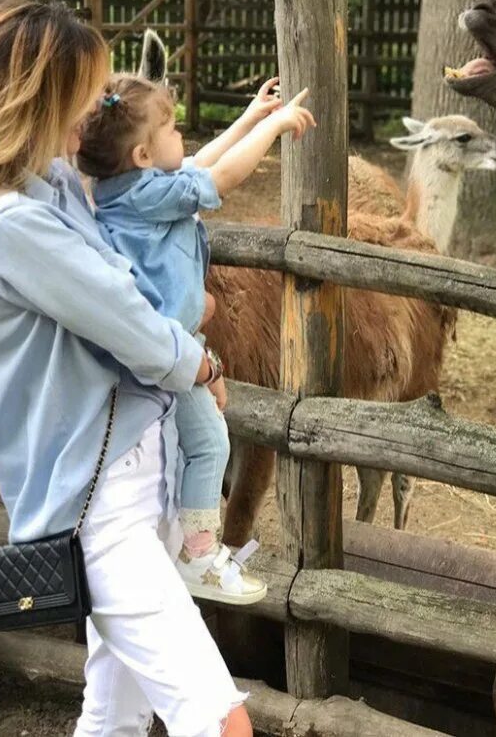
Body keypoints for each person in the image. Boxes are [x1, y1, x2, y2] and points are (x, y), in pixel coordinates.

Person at [0, 0, 254, 735]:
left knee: (114, 713)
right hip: (98, 503)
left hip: (145, 469)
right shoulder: (14, 224)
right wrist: (200, 363)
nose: (99, 106)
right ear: (42, 100)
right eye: (86, 91)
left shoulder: (54, 187)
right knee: (221, 722)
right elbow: (128, 321)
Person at [77, 73, 315, 602]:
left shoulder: (126, 189)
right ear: (142, 154)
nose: (180, 134)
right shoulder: (149, 195)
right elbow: (219, 178)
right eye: (171, 127)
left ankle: (183, 546)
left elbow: (198, 163)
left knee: (186, 444)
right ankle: (200, 553)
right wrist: (274, 128)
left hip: (171, 342)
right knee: (211, 443)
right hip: (168, 348)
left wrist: (250, 117)